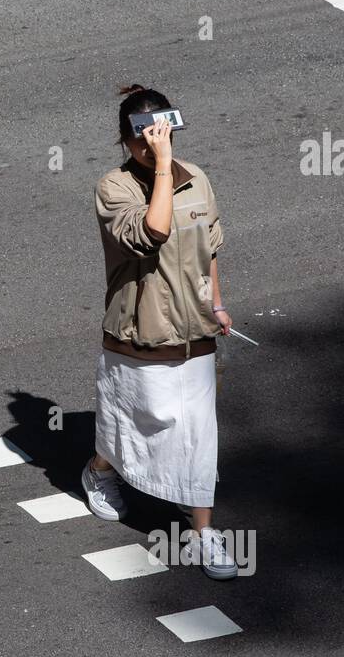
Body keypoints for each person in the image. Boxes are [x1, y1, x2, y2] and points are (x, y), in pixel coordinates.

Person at [82, 84, 238, 579]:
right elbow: (151, 233)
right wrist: (165, 168)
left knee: (197, 433)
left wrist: (216, 303)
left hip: (195, 331)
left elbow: (210, 247)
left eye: (161, 138)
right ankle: (100, 471)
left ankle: (202, 529)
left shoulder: (199, 180)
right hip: (139, 330)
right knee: (137, 418)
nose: (153, 148)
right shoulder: (115, 188)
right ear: (126, 142)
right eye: (143, 141)